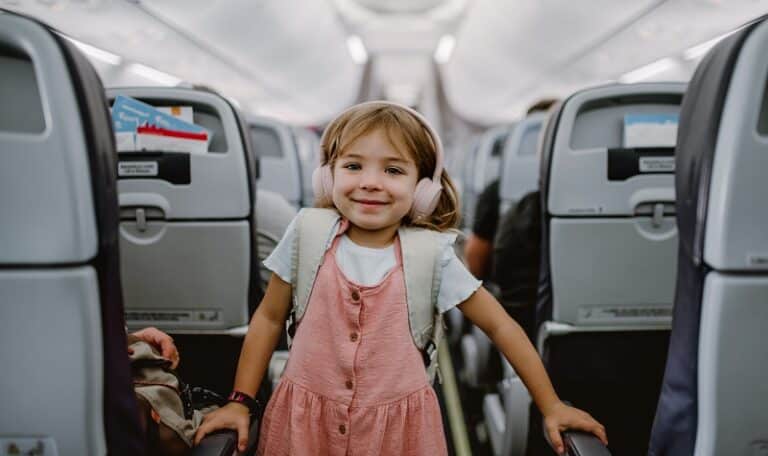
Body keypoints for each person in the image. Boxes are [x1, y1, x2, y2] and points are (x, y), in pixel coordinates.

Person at [193, 101, 607, 455]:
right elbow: (267, 320)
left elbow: (500, 327)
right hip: (304, 423)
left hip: (398, 433)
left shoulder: (432, 255)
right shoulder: (307, 233)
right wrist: (240, 402)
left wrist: (551, 405)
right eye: (353, 166)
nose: (370, 183)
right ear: (328, 175)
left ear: (423, 188)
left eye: (393, 170)